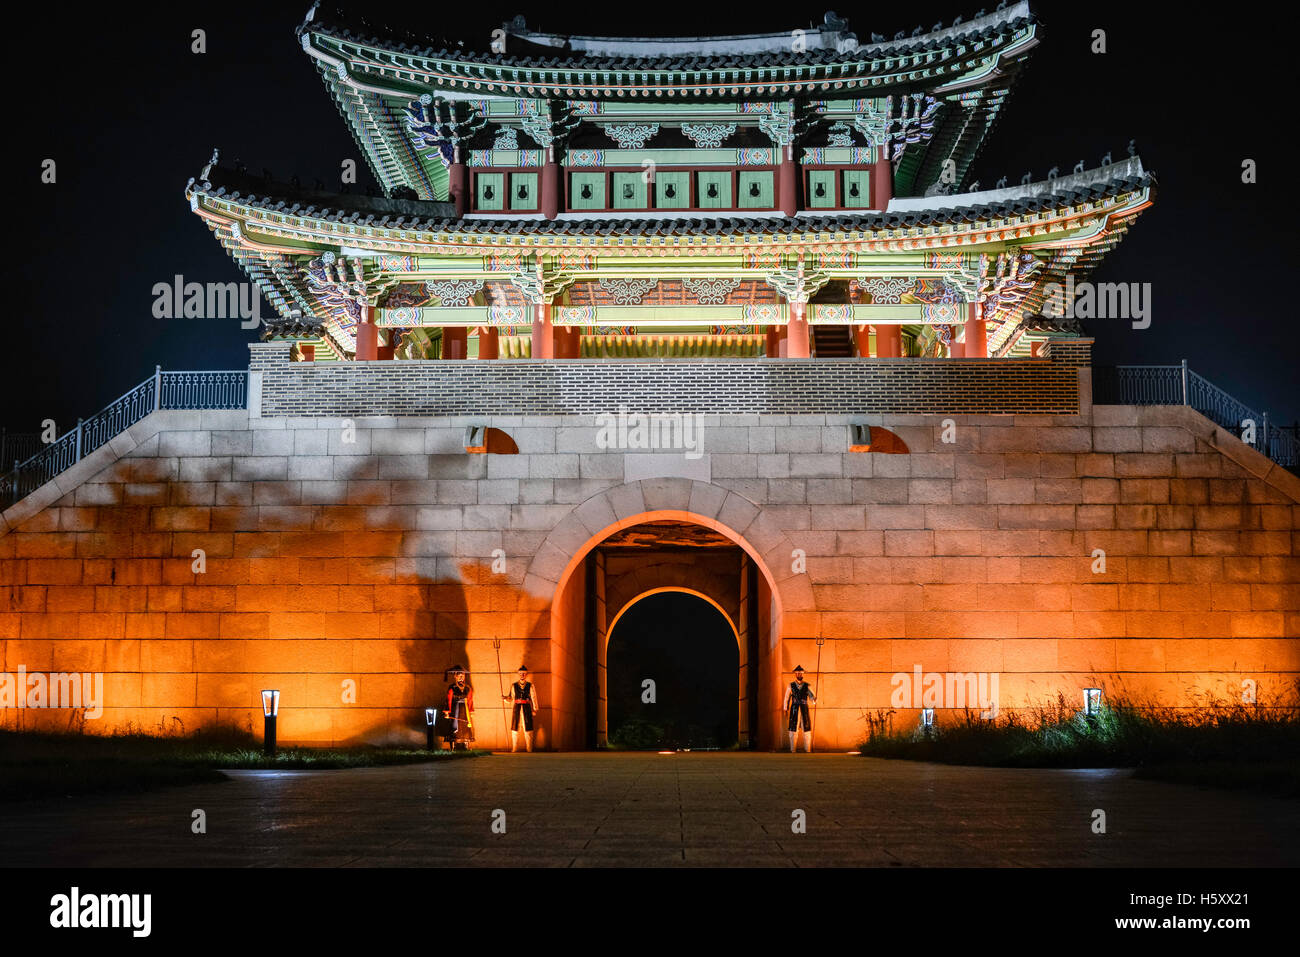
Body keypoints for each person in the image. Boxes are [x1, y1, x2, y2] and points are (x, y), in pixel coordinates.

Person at [502, 666, 540, 752]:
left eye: (524, 673)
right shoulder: (514, 685)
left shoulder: (530, 685)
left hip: (527, 708)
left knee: (528, 728)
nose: (522, 675)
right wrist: (505, 698)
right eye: (520, 673)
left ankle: (529, 748)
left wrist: (535, 709)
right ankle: (515, 748)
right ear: (518, 674)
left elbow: (534, 697)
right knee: (515, 728)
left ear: (526, 674)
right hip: (517, 708)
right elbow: (511, 698)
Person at [783, 665, 816, 753]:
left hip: (804, 709)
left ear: (802, 674)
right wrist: (785, 708)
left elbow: (812, 696)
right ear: (795, 674)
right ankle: (793, 749)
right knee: (793, 728)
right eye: (797, 673)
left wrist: (814, 699)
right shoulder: (791, 685)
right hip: (794, 708)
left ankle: (807, 749)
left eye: (800, 673)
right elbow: (786, 697)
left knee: (806, 728)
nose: (799, 675)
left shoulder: (807, 685)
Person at [443, 666, 475, 750]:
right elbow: (448, 700)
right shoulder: (452, 687)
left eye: (463, 676)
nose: (461, 678)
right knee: (455, 726)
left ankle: (466, 745)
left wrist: (471, 711)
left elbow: (470, 700)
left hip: (465, 710)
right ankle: (453, 745)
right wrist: (447, 712)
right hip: (455, 708)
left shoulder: (468, 688)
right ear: (455, 677)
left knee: (465, 726)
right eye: (459, 676)